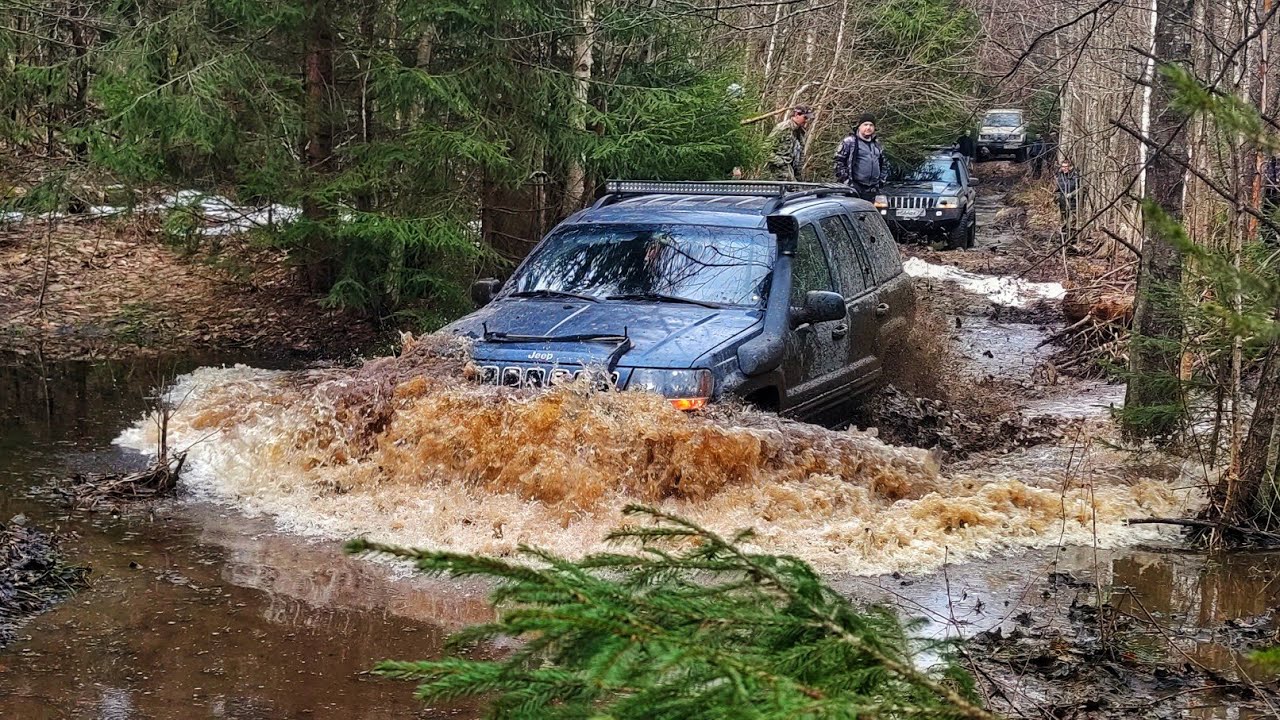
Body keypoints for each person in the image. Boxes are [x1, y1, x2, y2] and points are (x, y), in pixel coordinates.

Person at [834, 113, 888, 200]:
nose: (868, 127)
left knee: (873, 213)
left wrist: (881, 182)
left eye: (871, 125)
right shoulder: (850, 142)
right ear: (859, 126)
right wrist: (848, 183)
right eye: (865, 125)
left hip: (873, 190)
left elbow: (884, 164)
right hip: (855, 190)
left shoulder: (877, 145)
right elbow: (838, 163)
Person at [765, 105, 812, 182]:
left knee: (799, 190)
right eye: (805, 118)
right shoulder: (782, 128)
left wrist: (799, 174)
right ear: (797, 115)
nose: (806, 120)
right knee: (794, 190)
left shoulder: (800, 132)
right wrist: (780, 162)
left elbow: (800, 154)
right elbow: (765, 148)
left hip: (792, 170)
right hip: (778, 171)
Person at [1054, 160, 1082, 234]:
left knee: (1073, 218)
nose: (1064, 168)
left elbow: (1080, 188)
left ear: (1070, 167)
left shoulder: (1075, 176)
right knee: (1064, 217)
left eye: (1066, 167)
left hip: (1073, 200)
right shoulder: (1060, 176)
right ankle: (1064, 233)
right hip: (1062, 201)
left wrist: (1072, 194)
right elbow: (1057, 190)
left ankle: (1072, 234)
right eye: (1063, 167)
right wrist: (1057, 198)